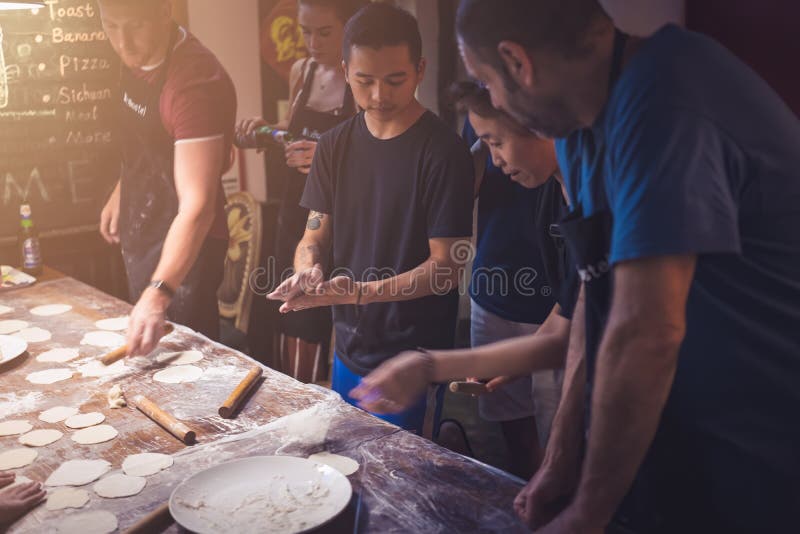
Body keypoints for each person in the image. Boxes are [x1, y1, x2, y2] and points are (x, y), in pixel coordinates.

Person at [456, 0, 800, 532]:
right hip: (671, 443)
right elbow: (594, 297)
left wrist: (588, 512)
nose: (494, 102)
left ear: (517, 61)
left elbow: (647, 330)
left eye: (488, 82)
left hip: (757, 447)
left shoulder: (668, 96)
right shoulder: (580, 130)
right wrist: (561, 458)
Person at [268, 3, 474, 435]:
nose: (379, 95)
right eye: (365, 81)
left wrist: (360, 293)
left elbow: (446, 268)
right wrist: (308, 270)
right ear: (346, 71)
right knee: (349, 457)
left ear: (419, 70)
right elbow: (313, 234)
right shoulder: (333, 146)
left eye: (394, 80)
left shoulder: (443, 152)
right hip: (349, 345)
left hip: (413, 356)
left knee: (405, 469)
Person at [352, 82, 576, 475]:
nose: (493, 160)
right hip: (507, 300)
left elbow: (565, 336)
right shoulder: (552, 190)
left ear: (539, 124)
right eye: (484, 144)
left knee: (566, 450)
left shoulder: (588, 196)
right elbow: (567, 315)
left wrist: (428, 366)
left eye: (497, 143)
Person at [97, 0, 236, 355]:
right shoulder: (136, 57)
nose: (123, 43)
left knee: (186, 361)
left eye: (135, 26)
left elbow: (198, 207)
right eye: (111, 27)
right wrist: (124, 188)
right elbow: (152, 142)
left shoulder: (194, 84)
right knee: (148, 355)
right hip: (145, 225)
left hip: (189, 243)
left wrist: (159, 292)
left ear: (164, 12)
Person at [238, 0, 366, 384]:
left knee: (322, 310)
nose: (313, 43)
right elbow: (296, 128)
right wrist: (267, 129)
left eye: (324, 32)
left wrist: (328, 156)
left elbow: (377, 152)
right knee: (288, 309)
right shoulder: (302, 71)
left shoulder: (362, 79)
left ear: (349, 27)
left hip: (338, 214)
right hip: (294, 208)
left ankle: (321, 394)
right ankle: (291, 390)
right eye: (305, 32)